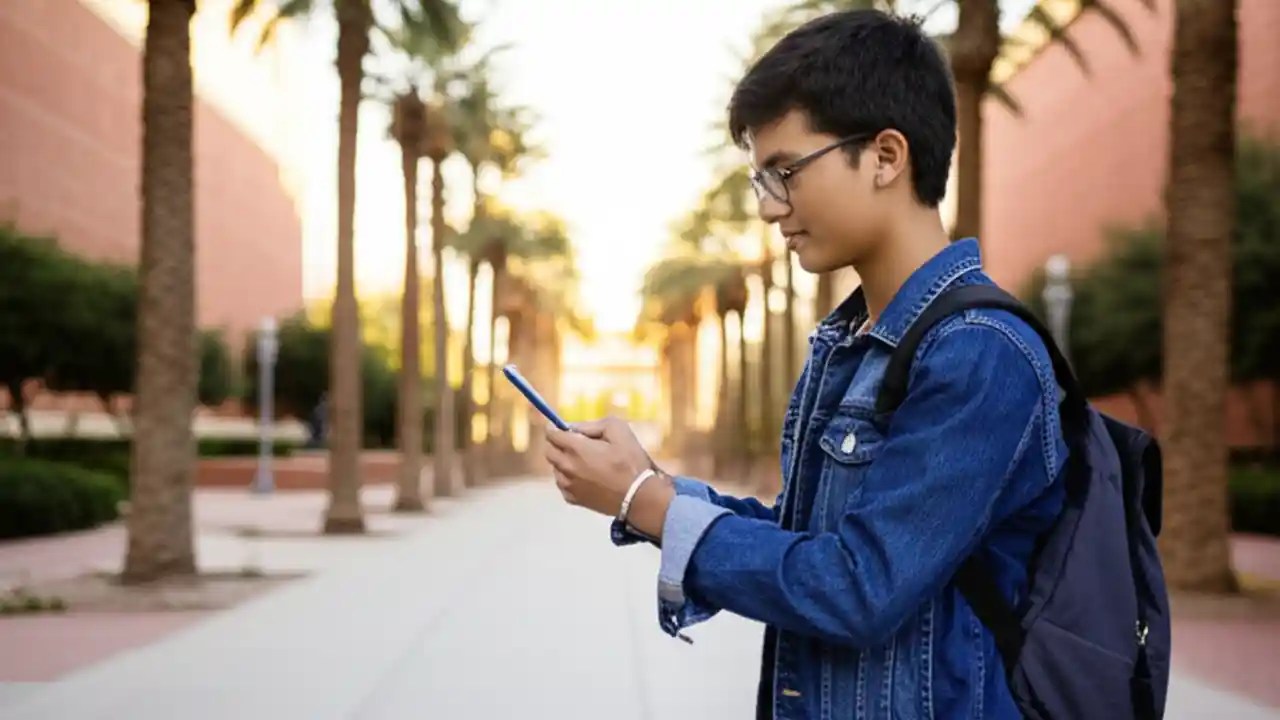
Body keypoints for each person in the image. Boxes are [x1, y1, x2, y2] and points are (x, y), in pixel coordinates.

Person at [544, 9, 1068, 719]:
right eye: (761, 179)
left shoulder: (980, 351)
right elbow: (806, 544)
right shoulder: (850, 344)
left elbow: (856, 588)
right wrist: (645, 485)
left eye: (785, 171)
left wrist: (649, 505)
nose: (768, 208)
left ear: (887, 156)